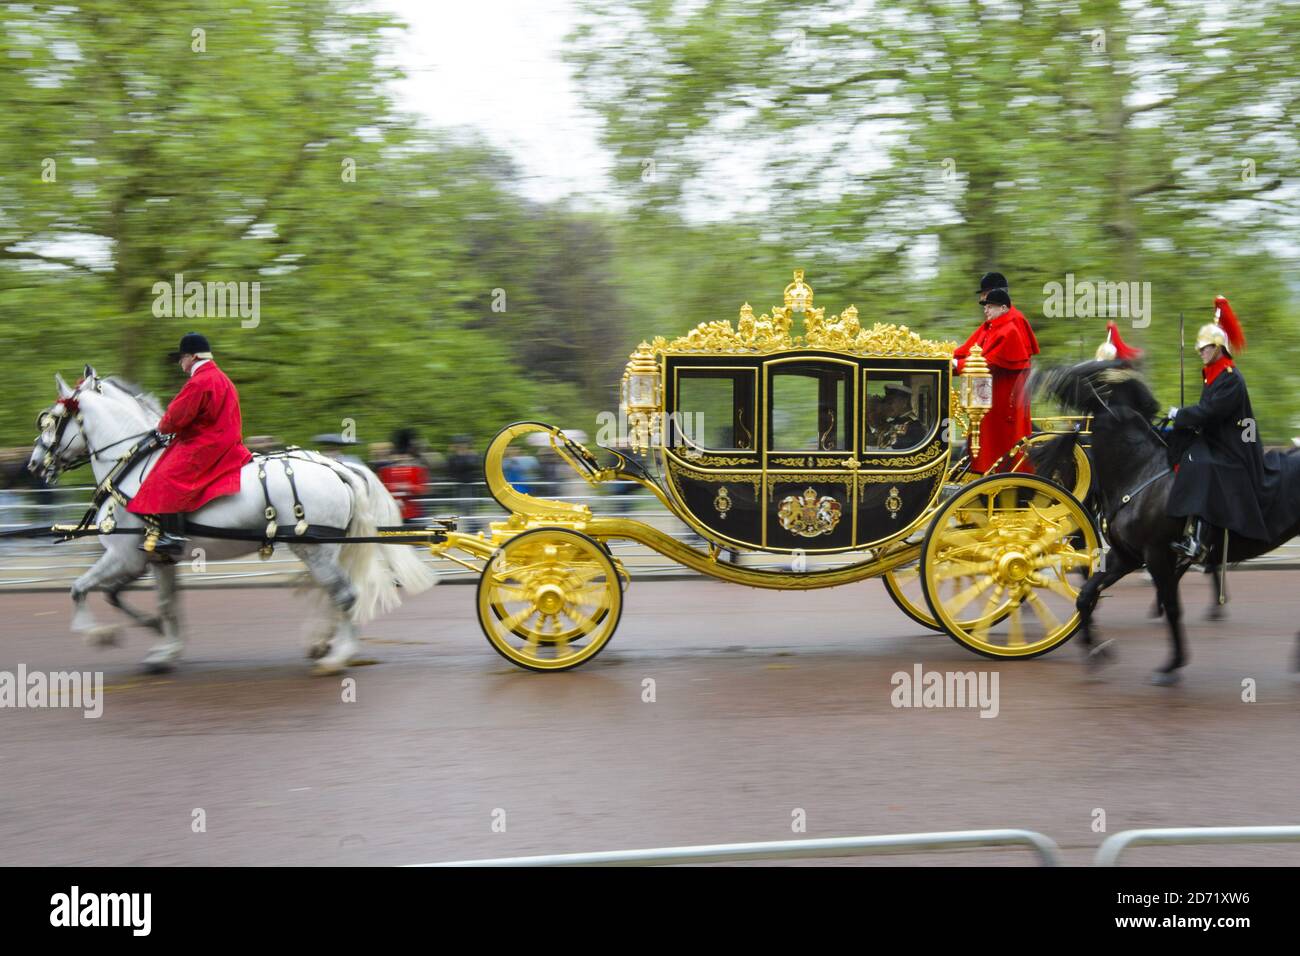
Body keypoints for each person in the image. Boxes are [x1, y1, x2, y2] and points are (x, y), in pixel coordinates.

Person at [126, 332, 253, 555]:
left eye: (182, 357)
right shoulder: (222, 379)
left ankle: (173, 536)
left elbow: (176, 416)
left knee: (165, 475)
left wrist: (161, 429)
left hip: (207, 443)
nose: (180, 362)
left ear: (193, 357)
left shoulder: (199, 381)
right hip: (225, 441)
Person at [1167, 296, 1269, 562]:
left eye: (1205, 348)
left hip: (1235, 445)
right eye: (1200, 348)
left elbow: (1210, 412)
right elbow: (1206, 411)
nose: (1200, 352)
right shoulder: (1213, 373)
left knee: (1201, 463)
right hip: (1219, 438)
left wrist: (1181, 414)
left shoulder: (1230, 378)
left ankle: (1198, 540)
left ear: (1219, 347)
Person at [952, 286, 1040, 473]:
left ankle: (996, 474)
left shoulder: (1009, 331)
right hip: (987, 395)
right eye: (986, 306)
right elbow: (968, 349)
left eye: (990, 306)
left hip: (1002, 398)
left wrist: (957, 365)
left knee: (997, 440)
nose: (985, 310)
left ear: (1002, 308)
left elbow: (989, 362)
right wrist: (948, 357)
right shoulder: (991, 327)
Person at [376, 429, 431, 523]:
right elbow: (380, 488)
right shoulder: (385, 470)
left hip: (414, 512)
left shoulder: (418, 469)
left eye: (405, 456)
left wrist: (408, 487)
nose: (402, 458)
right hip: (391, 511)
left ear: (410, 456)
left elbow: (424, 489)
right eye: (399, 455)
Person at [880, 384, 927, 449]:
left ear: (904, 402)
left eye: (890, 403)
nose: (887, 407)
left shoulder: (913, 426)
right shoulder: (895, 421)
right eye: (887, 403)